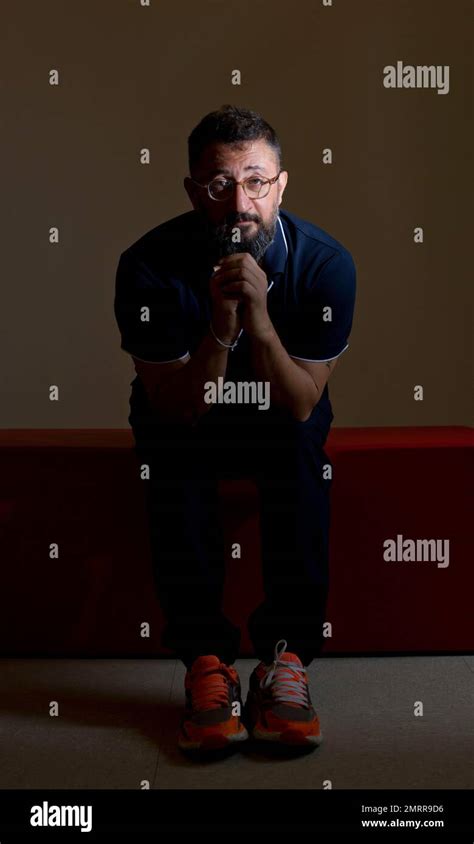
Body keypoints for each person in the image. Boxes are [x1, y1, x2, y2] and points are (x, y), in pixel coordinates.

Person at [114, 104, 357, 753]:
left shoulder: (325, 266)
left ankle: (286, 661)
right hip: (190, 405)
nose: (240, 202)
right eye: (221, 183)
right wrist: (221, 329)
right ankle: (206, 663)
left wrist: (261, 321)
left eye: (256, 181)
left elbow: (301, 403)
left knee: (303, 449)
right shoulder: (147, 266)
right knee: (173, 451)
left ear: (281, 185)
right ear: (195, 190)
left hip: (281, 405)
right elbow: (178, 406)